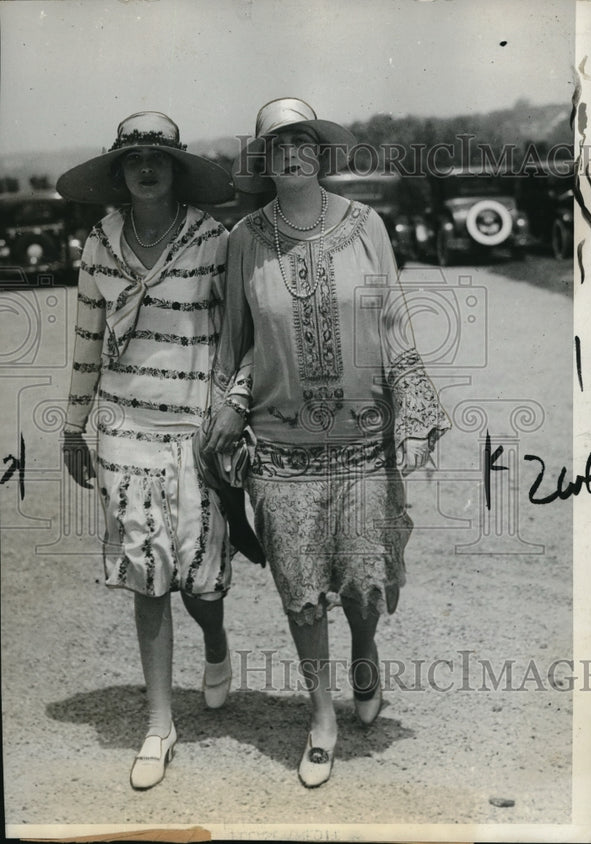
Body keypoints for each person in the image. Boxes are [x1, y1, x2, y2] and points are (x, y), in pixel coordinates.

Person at [205, 98, 451, 788]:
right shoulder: (245, 239)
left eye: (303, 142)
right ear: (262, 159)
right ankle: (321, 715)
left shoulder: (367, 225)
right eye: (277, 145)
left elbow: (396, 318)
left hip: (363, 438)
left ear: (321, 154)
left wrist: (413, 415)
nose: (291, 154)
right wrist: (226, 409)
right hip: (279, 448)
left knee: (363, 587)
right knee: (300, 589)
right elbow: (235, 340)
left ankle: (366, 653)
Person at [57, 111, 259, 790]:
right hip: (122, 431)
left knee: (201, 577)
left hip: (196, 431)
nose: (146, 169)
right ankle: (159, 725)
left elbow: (244, 333)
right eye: (133, 160)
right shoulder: (97, 246)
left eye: (159, 159)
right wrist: (72, 424)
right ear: (118, 174)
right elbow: (87, 339)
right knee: (148, 575)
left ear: (177, 170)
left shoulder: (214, 240)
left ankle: (216, 639)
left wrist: (234, 407)